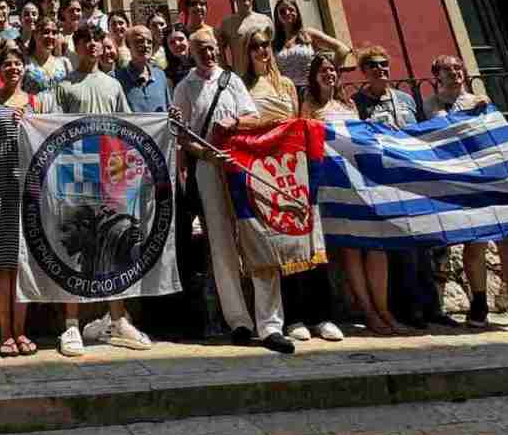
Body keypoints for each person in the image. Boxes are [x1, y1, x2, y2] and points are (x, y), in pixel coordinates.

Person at [172, 27, 293, 352]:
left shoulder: (233, 81)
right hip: (208, 168)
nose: (208, 54)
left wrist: (234, 124)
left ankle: (271, 326)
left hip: (240, 166)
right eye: (201, 49)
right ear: (192, 53)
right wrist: (207, 154)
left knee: (258, 238)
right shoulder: (184, 88)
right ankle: (238, 321)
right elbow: (182, 137)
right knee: (221, 244)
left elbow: (253, 117)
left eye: (211, 47)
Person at [37, 22, 152, 356]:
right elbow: (52, 129)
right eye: (85, 40)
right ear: (76, 45)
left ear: (103, 46)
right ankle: (71, 324)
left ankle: (118, 319)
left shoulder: (113, 85)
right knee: (74, 250)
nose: (91, 45)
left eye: (96, 40)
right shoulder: (63, 86)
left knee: (114, 246)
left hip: (111, 175)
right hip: (74, 175)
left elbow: (127, 129)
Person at [234, 29, 343, 346]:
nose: (262, 50)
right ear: (247, 52)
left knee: (309, 238)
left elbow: (297, 120)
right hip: (264, 170)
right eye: (255, 46)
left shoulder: (286, 84)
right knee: (282, 243)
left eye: (266, 45)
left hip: (294, 166)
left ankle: (322, 316)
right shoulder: (242, 86)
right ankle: (294, 317)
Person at [425, 54, 508, 332]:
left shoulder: (482, 101)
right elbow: (445, 127)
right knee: (475, 243)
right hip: (465, 180)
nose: (455, 72)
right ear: (437, 76)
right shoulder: (434, 103)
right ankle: (479, 305)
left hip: (496, 177)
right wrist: (472, 111)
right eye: (447, 69)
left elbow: (503, 141)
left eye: (458, 68)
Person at [303, 53, 412, 338]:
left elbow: (362, 139)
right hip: (334, 184)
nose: (329, 74)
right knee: (352, 248)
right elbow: (307, 143)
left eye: (332, 70)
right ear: (314, 76)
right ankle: (369, 312)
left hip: (361, 180)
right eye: (323, 70)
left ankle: (384, 310)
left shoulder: (348, 103)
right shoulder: (309, 106)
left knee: (376, 246)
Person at [352, 45, 454, 332]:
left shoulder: (406, 100)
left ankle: (434, 308)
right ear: (364, 71)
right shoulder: (357, 103)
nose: (380, 69)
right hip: (384, 181)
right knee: (402, 249)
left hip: (415, 179)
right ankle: (410, 309)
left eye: (384, 64)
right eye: (373, 65)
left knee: (429, 245)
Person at [0, 42, 39, 357]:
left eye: (17, 63)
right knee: (1, 260)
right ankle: (5, 332)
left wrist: (30, 125)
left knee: (22, 261)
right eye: (7, 64)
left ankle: (21, 329)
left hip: (27, 190)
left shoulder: (36, 103)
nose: (13, 68)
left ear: (25, 67)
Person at [272, 0, 350, 93]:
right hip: (287, 92)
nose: (287, 13)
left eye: (291, 9)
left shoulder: (308, 34)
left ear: (297, 12)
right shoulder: (274, 43)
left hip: (312, 89)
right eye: (282, 11)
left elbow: (342, 49)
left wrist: (330, 71)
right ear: (277, 17)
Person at [219, 0, 273, 78]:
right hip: (241, 77)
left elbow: (271, 49)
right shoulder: (227, 24)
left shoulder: (265, 21)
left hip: (265, 76)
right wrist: (225, 68)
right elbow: (219, 49)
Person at [117, 25, 172, 113]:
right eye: (139, 41)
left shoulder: (160, 75)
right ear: (128, 44)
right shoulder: (116, 78)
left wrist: (174, 113)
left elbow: (168, 108)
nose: (146, 45)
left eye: (149, 42)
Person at [22, 16, 72, 95]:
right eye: (46, 32)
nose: (50, 36)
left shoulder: (64, 63)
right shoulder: (25, 63)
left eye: (54, 33)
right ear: (35, 34)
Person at [163, 23, 194, 89]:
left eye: (180, 39)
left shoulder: (202, 63)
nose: (177, 44)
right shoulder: (168, 74)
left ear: (188, 41)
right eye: (172, 42)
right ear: (168, 47)